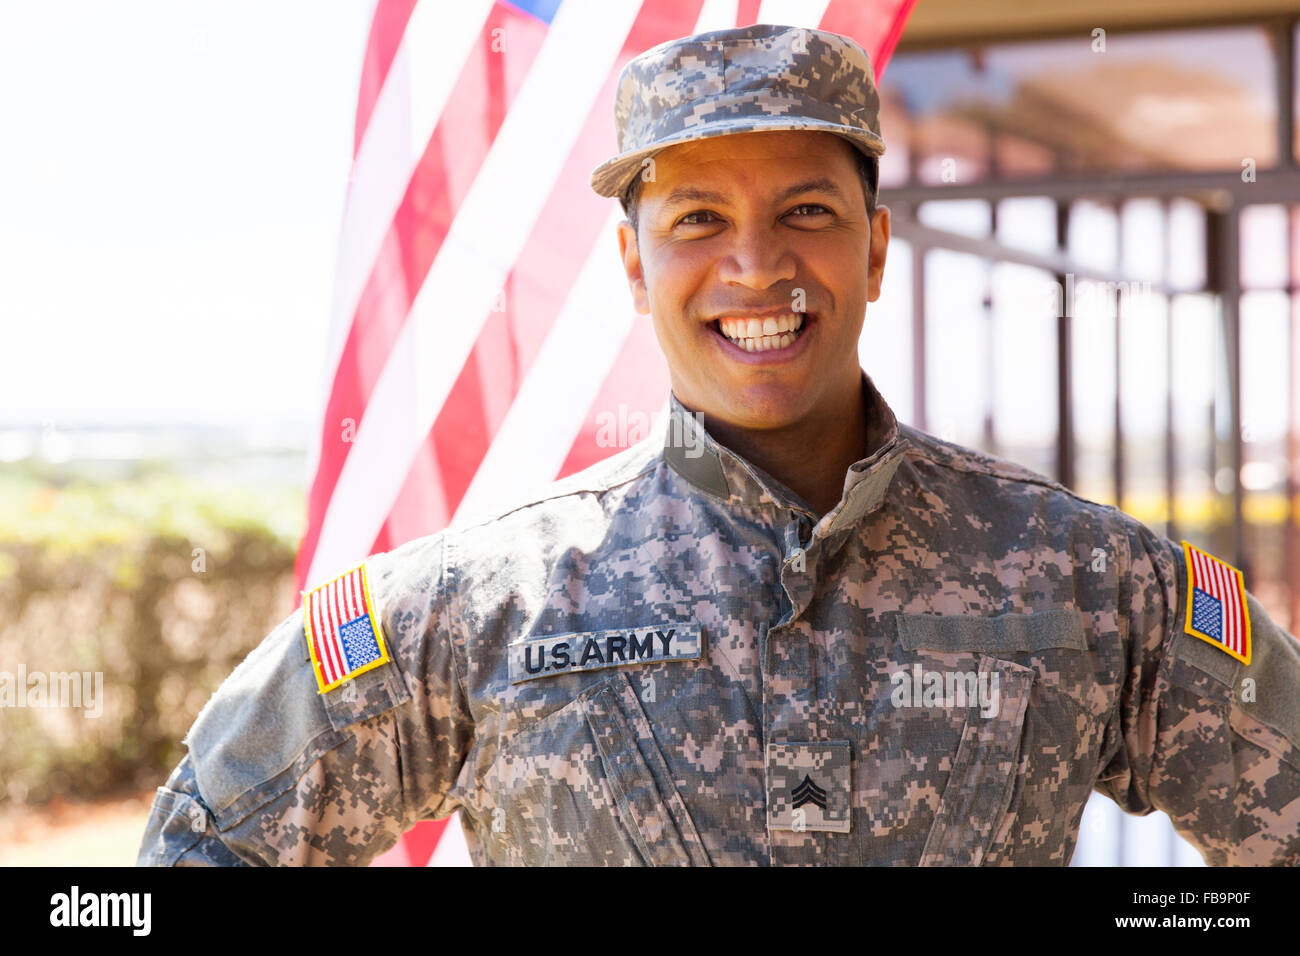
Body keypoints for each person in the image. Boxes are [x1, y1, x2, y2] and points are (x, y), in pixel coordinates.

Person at [137, 23, 1300, 866]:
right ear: (634, 265)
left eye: (807, 210)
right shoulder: (474, 603)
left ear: (875, 249)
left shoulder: (1093, 583)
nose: (756, 267)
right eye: (697, 219)